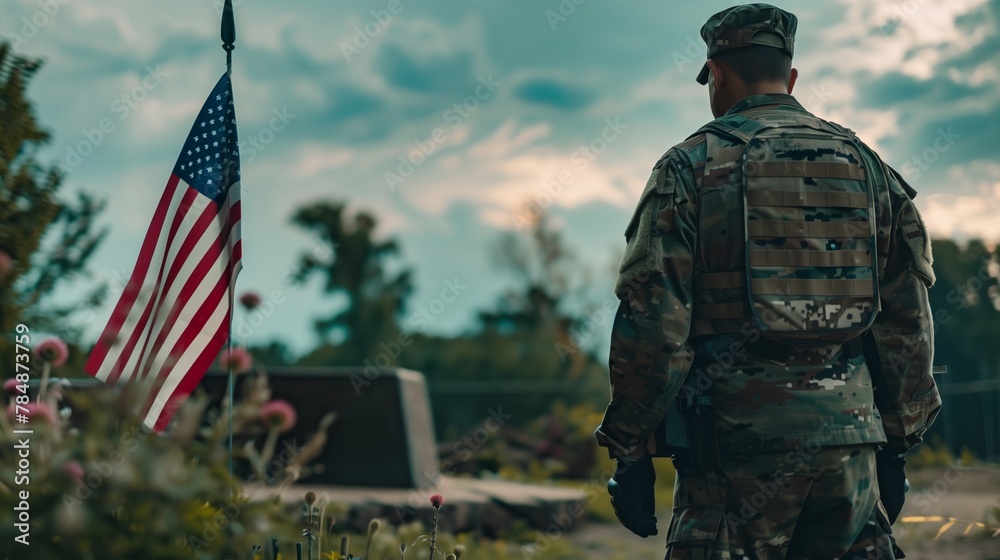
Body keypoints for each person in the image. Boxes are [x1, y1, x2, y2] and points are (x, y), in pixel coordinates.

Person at [594, 4, 942, 559]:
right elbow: (905, 316)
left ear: (717, 73)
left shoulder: (689, 167)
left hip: (734, 453)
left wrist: (629, 449)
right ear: (792, 77)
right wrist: (897, 442)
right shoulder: (867, 164)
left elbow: (655, 323)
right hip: (850, 450)